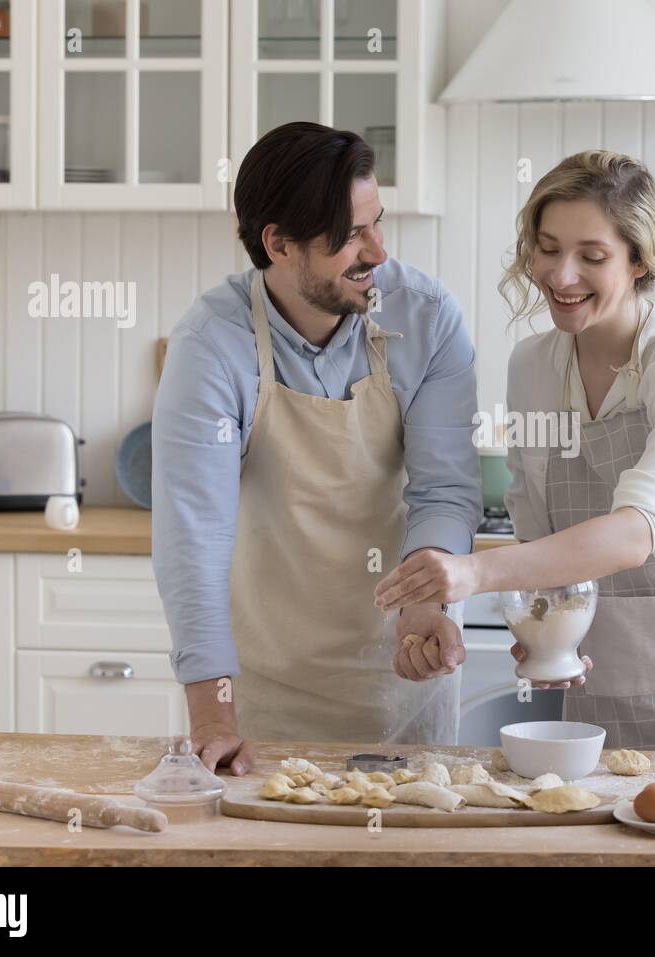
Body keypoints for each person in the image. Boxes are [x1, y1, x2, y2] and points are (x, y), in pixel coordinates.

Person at [376, 150, 655, 752]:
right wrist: (541, 630)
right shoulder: (531, 366)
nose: (561, 276)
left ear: (639, 261)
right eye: (548, 248)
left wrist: (473, 571)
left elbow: (638, 531)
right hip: (609, 655)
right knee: (613, 831)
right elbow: (534, 526)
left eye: (592, 256)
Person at [153, 122, 482, 774]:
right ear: (278, 243)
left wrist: (425, 601)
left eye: (377, 223)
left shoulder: (426, 317)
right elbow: (194, 539)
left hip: (405, 678)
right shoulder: (211, 345)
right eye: (352, 235)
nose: (379, 250)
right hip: (264, 700)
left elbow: (444, 488)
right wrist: (213, 716)